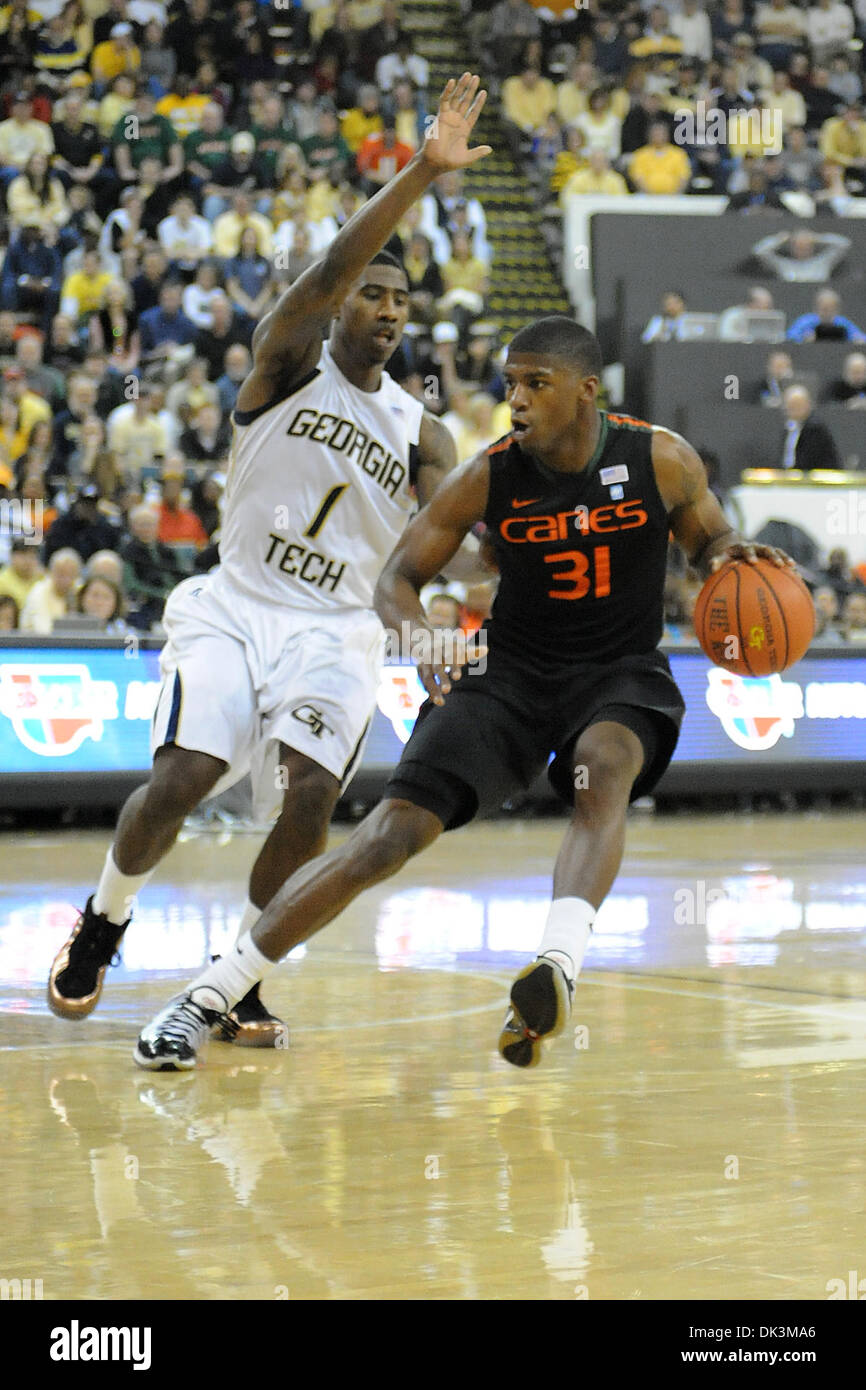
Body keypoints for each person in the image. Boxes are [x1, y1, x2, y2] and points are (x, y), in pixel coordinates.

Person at [133, 314, 798, 1071]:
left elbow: (708, 537)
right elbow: (397, 579)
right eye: (511, 384)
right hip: (507, 672)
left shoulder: (660, 458)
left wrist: (727, 554)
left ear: (586, 391)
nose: (516, 399)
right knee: (386, 838)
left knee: (603, 771)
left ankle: (555, 965)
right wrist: (419, 639)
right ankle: (208, 996)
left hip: (618, 672)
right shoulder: (490, 474)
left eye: (535, 385)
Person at [48, 72, 493, 1050]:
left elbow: (450, 550)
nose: (384, 308)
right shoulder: (286, 355)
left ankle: (234, 979)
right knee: (183, 775)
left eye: (399, 301)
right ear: (336, 306)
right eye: (370, 292)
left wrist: (502, 583)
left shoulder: (421, 432)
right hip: (236, 601)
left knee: (311, 797)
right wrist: (420, 171)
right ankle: (105, 918)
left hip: (337, 625)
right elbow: (331, 264)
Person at [780, 385, 842, 470]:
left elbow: (809, 459)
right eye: (790, 406)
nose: (793, 409)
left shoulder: (815, 428)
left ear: (808, 405)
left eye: (798, 405)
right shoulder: (789, 428)